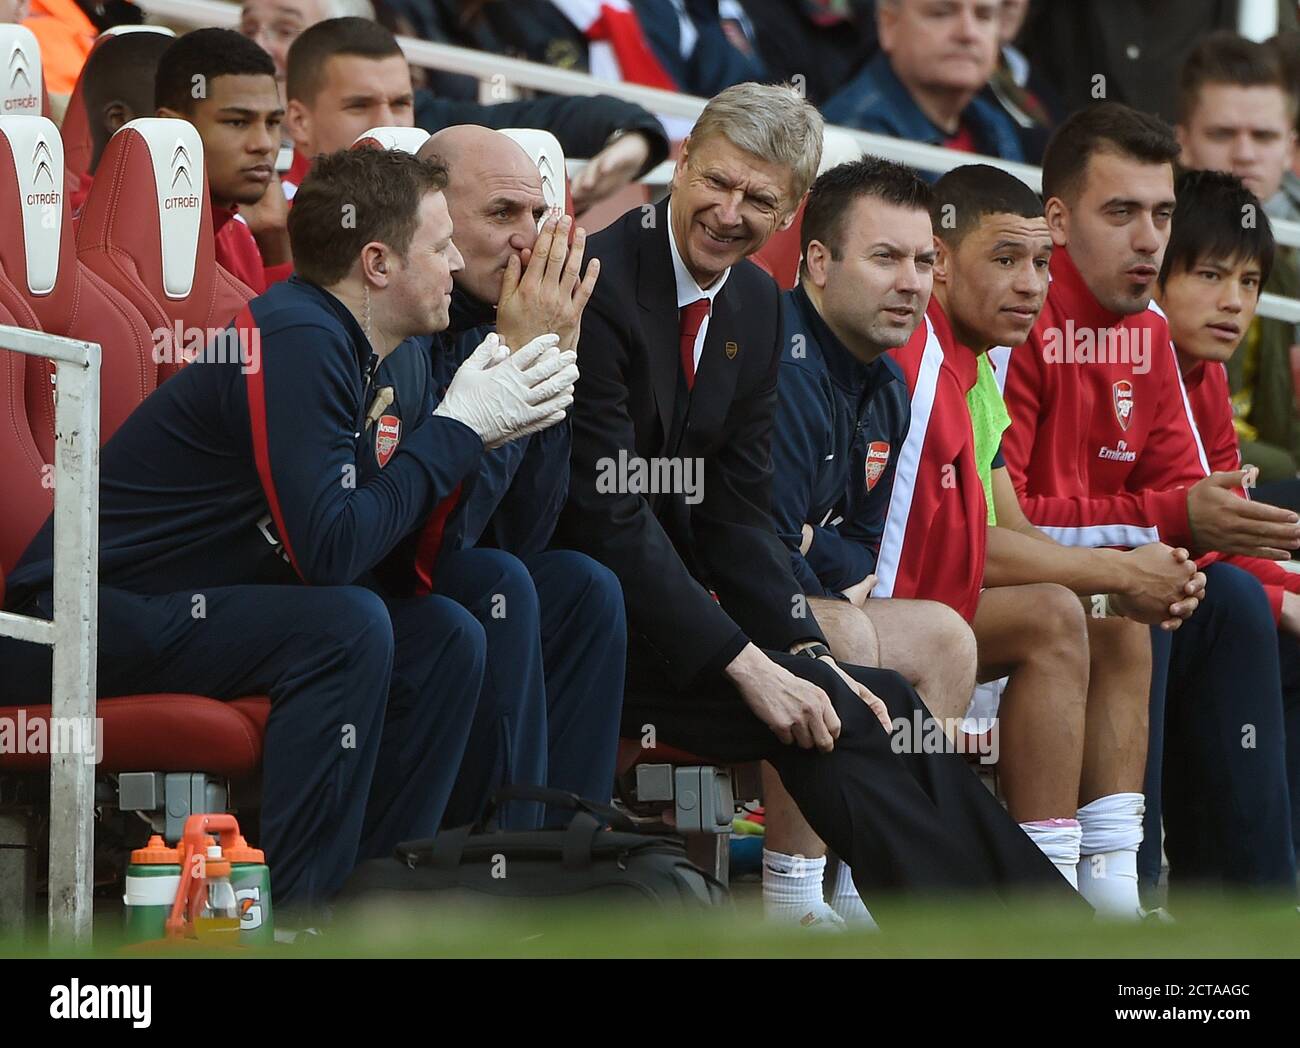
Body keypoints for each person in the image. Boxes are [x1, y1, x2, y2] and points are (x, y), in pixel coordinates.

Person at [0, 147, 577, 914]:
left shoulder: (373, 351)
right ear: (377, 263)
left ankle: (383, 899)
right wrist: (457, 429)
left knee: (443, 630)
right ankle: (300, 916)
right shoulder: (299, 334)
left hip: (190, 602)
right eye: (440, 248)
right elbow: (332, 549)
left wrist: (482, 430)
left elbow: (391, 546)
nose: (453, 265)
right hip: (74, 622)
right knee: (345, 625)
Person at [554, 81, 1082, 919]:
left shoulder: (755, 303)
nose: (730, 213)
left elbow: (737, 519)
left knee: (877, 702)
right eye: (717, 182)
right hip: (591, 621)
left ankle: (1027, 926)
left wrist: (804, 649)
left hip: (686, 612)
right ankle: (972, 926)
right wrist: (748, 662)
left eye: (759, 199)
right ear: (682, 162)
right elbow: (606, 515)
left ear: (792, 209)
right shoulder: (602, 281)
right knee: (831, 713)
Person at [995, 102, 1300, 900]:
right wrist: (1163, 528)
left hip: (1099, 583)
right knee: (1140, 590)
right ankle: (1119, 883)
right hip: (1008, 593)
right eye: (1121, 212)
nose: (1149, 238)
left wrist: (1200, 538)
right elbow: (1005, 521)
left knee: (1228, 596)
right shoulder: (1015, 318)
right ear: (1056, 221)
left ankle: (1251, 906)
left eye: (1161, 213)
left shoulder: (1151, 331)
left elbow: (1194, 496)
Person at [361, 124, 627, 826]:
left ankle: (574, 849)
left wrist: (540, 366)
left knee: (582, 585)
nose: (528, 239)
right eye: (502, 214)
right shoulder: (406, 321)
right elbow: (442, 544)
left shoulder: (513, 316)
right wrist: (517, 357)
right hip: (371, 583)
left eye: (538, 216)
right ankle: (503, 857)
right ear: (436, 221)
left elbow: (525, 528)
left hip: (452, 573)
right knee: (495, 582)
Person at [1155, 168, 1300, 872]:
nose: (1234, 303)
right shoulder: (1127, 355)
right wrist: (1281, 598)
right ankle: (1259, 892)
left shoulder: (1204, 369)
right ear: (1154, 269)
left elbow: (1227, 523)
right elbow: (1176, 523)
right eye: (1211, 275)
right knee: (1246, 606)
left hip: (1184, 582)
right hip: (1126, 593)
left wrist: (1290, 593)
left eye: (1248, 283)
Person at [241, 4, 670, 212]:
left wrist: (631, 135)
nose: (389, 126)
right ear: (300, 120)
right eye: (249, 27)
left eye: (285, 29)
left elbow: (546, 119)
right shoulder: (210, 162)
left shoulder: (429, 132)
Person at [1174, 31, 1300, 490]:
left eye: (1263, 136)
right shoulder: (1149, 240)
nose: (1244, 153)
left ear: (1289, 148)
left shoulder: (1286, 260)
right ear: (1182, 141)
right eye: (1223, 134)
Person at [154, 29, 294, 293]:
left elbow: (273, 335)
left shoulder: (239, 237)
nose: (264, 143)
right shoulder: (132, 237)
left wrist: (275, 247)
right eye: (237, 122)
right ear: (173, 127)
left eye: (273, 122)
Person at [822, 0, 1024, 173]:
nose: (968, 33)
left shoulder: (995, 126)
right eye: (941, 13)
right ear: (888, 24)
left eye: (984, 15)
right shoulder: (854, 134)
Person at [67, 27, 174, 212]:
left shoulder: (218, 220)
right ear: (118, 119)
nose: (197, 136)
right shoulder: (82, 229)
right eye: (175, 121)